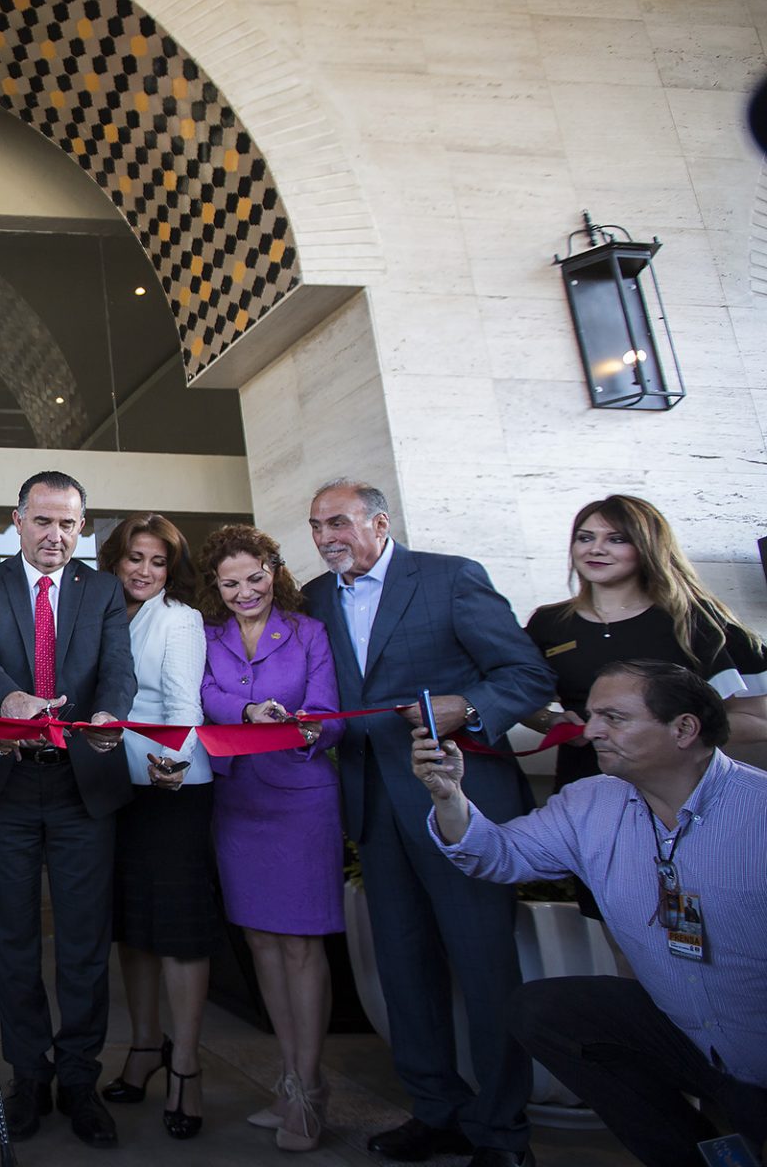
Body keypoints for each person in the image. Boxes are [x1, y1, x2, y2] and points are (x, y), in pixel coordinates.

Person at [418, 660, 767, 1167]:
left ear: (684, 729)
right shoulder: (590, 804)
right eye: (592, 714)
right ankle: (692, 1158)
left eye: (614, 718)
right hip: (691, 1039)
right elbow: (496, 855)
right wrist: (449, 797)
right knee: (547, 1011)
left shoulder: (758, 811)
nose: (589, 730)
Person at [300, 479, 555, 1167]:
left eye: (339, 523)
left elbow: (527, 676)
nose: (326, 537)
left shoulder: (450, 579)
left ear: (380, 523)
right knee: (404, 972)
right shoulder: (316, 599)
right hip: (374, 810)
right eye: (317, 526)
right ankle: (436, 1111)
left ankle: (503, 1133)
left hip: (460, 805)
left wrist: (464, 706)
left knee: (484, 968)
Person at [0, 470, 134, 1149]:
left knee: (85, 946)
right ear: (18, 520)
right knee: (14, 942)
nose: (56, 535)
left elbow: (118, 665)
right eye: (43, 521)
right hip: (8, 786)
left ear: (81, 528)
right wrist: (8, 700)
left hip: (82, 788)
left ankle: (81, 1080)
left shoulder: (103, 590)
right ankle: (28, 1074)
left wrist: (112, 710)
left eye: (68, 524)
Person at [196, 524, 344, 1152]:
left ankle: (309, 1089)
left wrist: (307, 727)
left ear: (273, 571)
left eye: (254, 577)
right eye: (230, 583)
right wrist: (243, 714)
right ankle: (287, 1080)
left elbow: (331, 712)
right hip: (238, 800)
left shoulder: (308, 632)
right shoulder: (208, 638)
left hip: (301, 799)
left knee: (302, 948)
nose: (243, 591)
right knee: (260, 941)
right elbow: (203, 698)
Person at [94, 516, 211, 1137]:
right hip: (119, 789)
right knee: (133, 930)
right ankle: (144, 1048)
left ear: (171, 570)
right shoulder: (109, 615)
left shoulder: (179, 620)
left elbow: (184, 704)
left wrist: (178, 760)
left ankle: (187, 1067)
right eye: (134, 558)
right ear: (115, 562)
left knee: (178, 934)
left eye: (157, 562)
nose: (144, 570)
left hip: (172, 789)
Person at [524, 494, 766, 787]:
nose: (596, 549)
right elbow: (516, 698)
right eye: (585, 538)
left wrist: (667, 733)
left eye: (616, 539)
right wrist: (550, 722)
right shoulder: (548, 622)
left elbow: (759, 720)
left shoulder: (694, 620)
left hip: (680, 793)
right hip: (584, 789)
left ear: (647, 547)